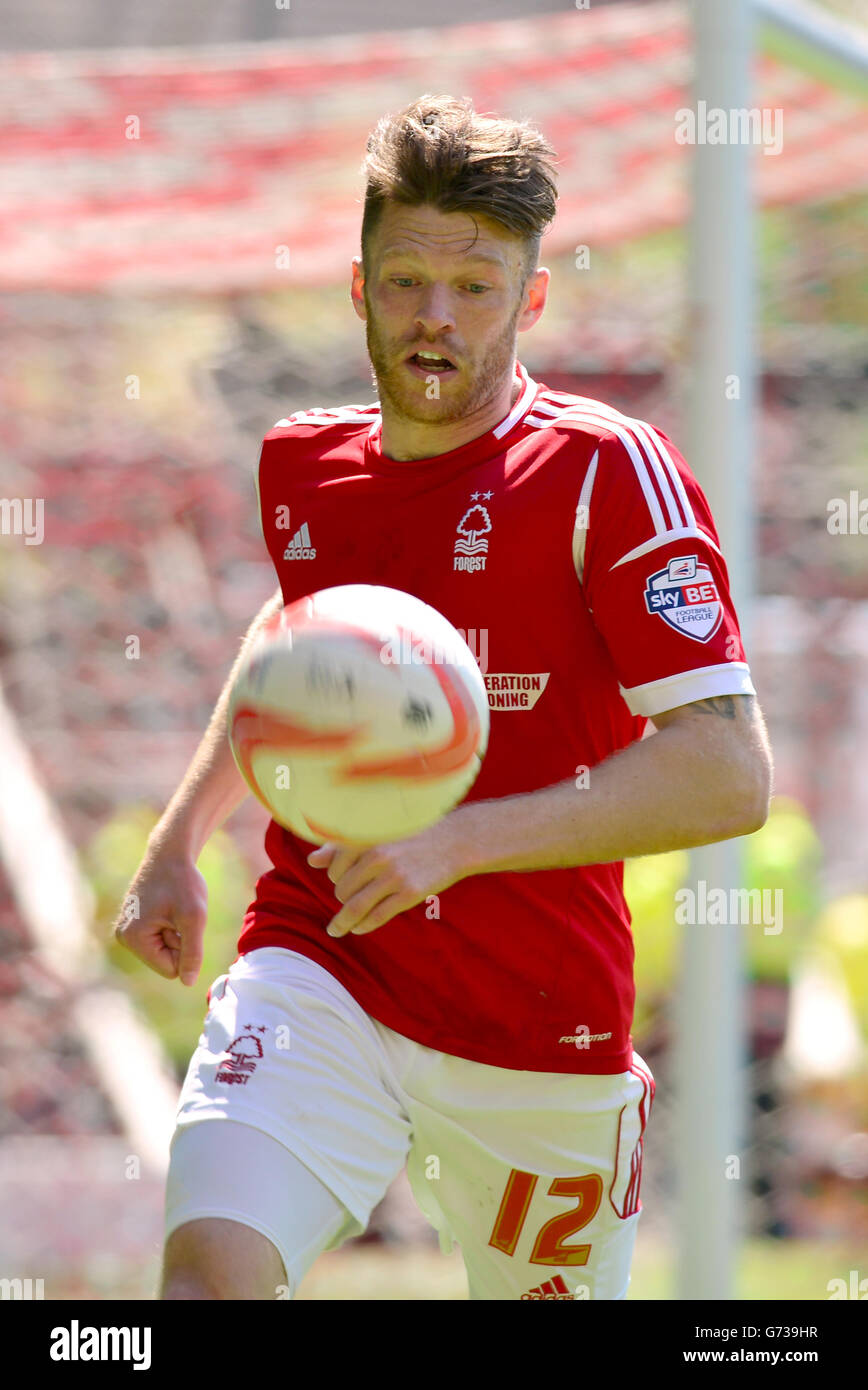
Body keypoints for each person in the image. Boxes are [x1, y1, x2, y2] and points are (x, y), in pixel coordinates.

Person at [116, 95, 773, 1301]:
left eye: (475, 288)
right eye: (406, 277)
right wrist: (181, 835)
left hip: (538, 1030)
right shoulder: (300, 464)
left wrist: (456, 844)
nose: (435, 316)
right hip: (321, 959)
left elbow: (726, 771)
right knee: (206, 1280)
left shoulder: (603, 471)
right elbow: (300, 645)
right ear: (357, 286)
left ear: (530, 300)